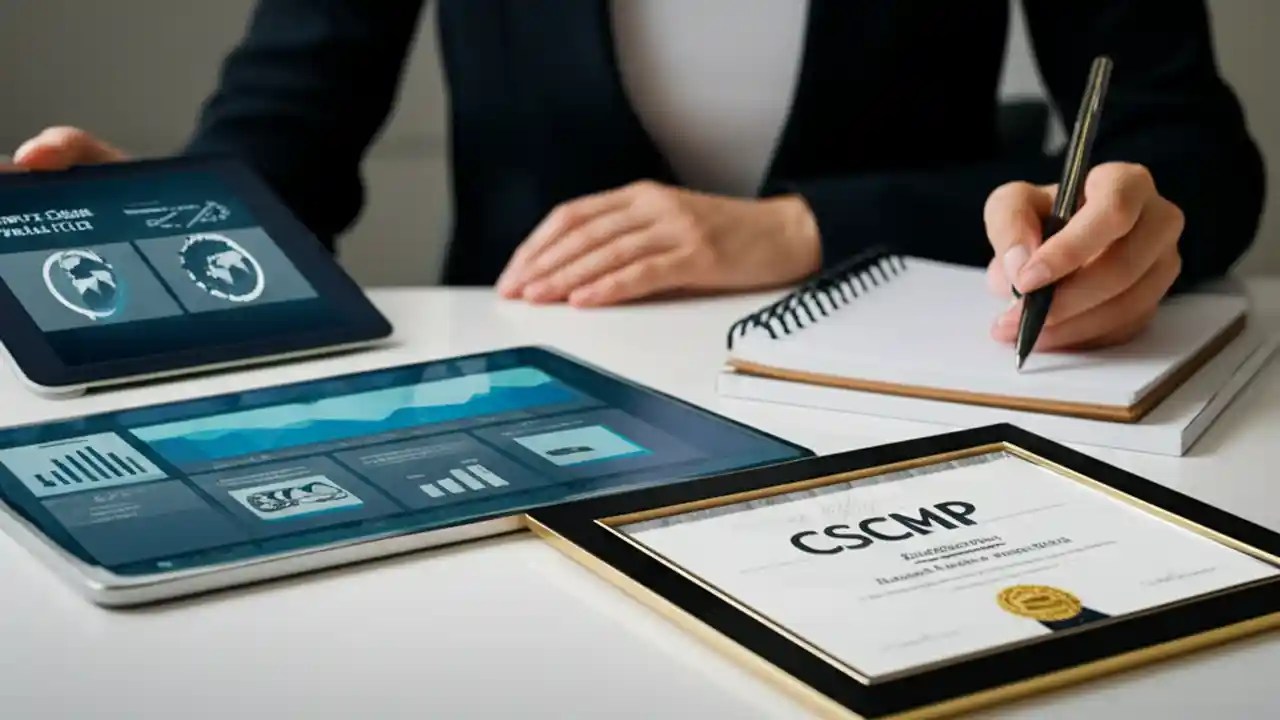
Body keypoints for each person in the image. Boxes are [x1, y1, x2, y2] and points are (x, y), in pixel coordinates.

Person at [2, 1, 1265, 351]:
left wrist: (802, 229)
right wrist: (175, 215)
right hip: (530, 380)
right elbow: (290, 121)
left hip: (899, 394)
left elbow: (1192, 147)